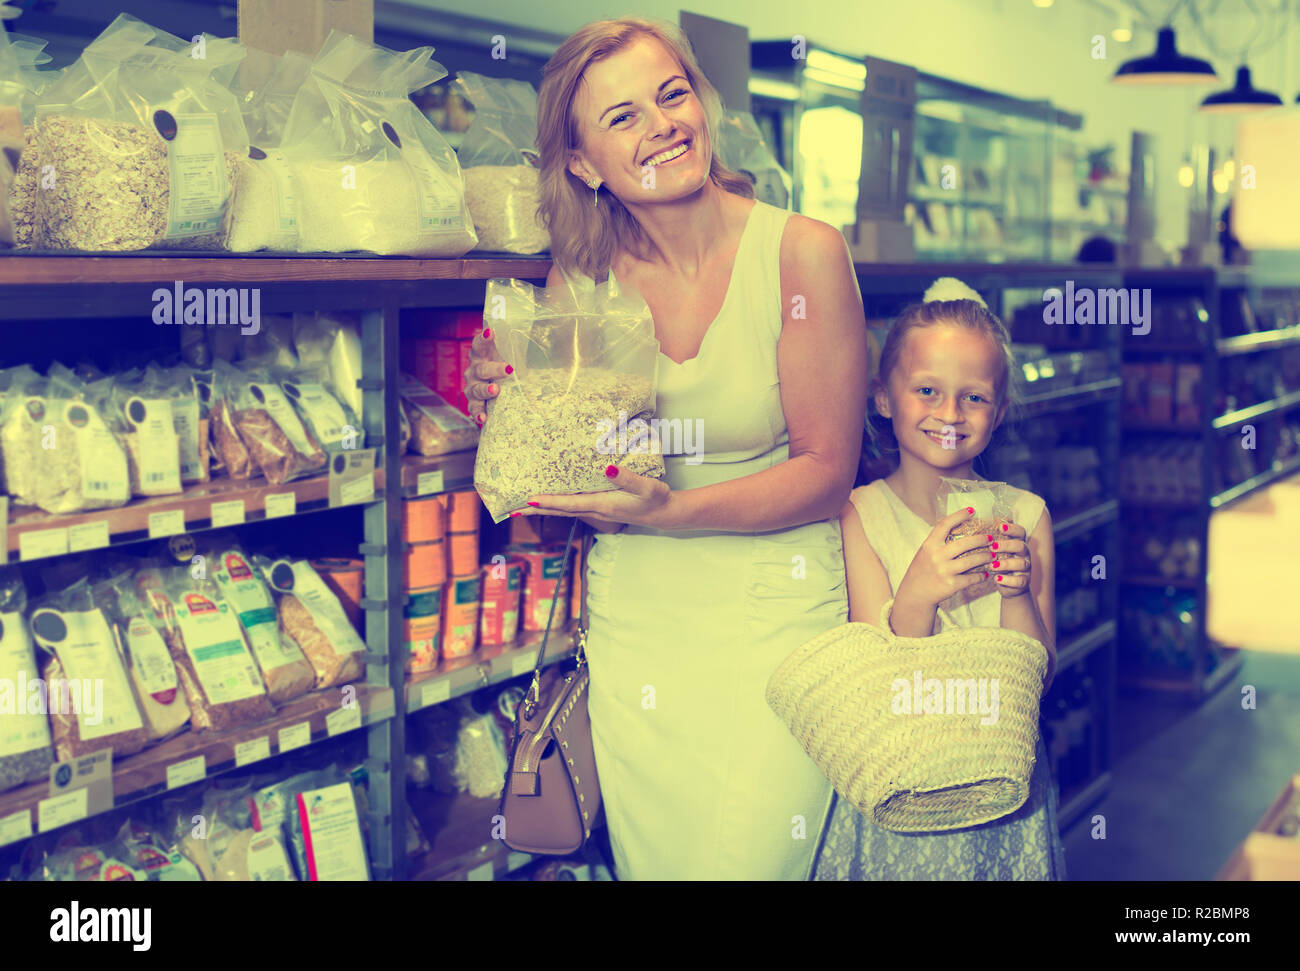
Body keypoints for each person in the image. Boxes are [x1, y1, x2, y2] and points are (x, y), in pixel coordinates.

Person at [463, 17, 868, 880]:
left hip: (775, 617)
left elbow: (829, 473)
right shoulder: (583, 277)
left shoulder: (803, 254)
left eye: (672, 94)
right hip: (638, 622)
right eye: (622, 118)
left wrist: (675, 509)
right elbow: (567, 450)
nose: (662, 127)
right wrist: (503, 398)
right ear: (581, 164)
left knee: (756, 857)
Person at [812, 277, 1066, 880]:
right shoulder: (859, 514)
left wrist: (1016, 595)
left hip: (1003, 789)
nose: (949, 414)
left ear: (998, 412)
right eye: (927, 390)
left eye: (973, 397)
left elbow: (1039, 673)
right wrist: (919, 593)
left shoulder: (1026, 515)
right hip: (906, 788)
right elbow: (880, 683)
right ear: (883, 397)